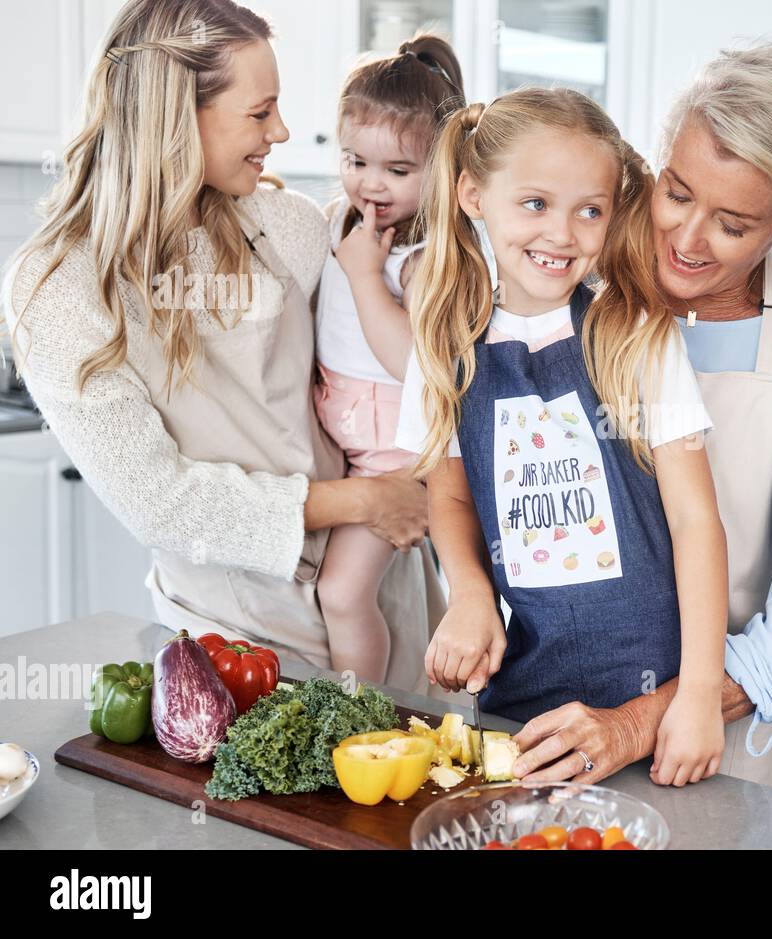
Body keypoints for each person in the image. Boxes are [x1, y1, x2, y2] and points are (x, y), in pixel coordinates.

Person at [3, 0, 444, 694]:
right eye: (260, 111)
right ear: (178, 113)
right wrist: (362, 501)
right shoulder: (58, 288)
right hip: (240, 628)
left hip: (383, 584)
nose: (283, 131)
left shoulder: (285, 226)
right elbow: (163, 502)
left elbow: (405, 343)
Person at [508, 45, 772, 795]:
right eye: (677, 193)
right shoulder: (579, 270)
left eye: (734, 224)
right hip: (557, 701)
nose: (687, 237)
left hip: (720, 738)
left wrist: (643, 719)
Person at [395, 88, 731, 787]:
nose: (562, 233)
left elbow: (697, 519)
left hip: (654, 709)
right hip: (526, 707)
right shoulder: (442, 349)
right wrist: (469, 595)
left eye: (589, 211)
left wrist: (699, 692)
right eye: (536, 203)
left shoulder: (633, 332)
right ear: (473, 194)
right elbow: (448, 500)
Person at [312, 34, 462, 683]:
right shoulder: (345, 220)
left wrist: (370, 278)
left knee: (342, 594)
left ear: (441, 169)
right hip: (346, 435)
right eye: (355, 161)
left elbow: (417, 365)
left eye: (397, 171)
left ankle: (360, 712)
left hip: (393, 453)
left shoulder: (424, 259)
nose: (370, 184)